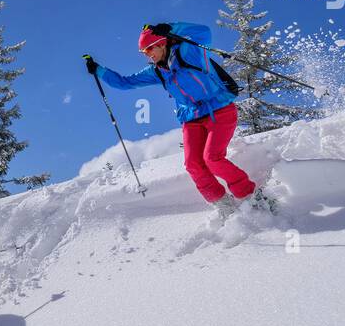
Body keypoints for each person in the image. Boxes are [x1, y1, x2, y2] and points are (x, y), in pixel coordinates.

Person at [85, 22, 268, 213]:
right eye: (143, 52)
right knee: (193, 165)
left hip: (219, 110)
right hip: (191, 119)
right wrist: (98, 70)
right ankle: (225, 208)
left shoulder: (188, 53)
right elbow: (125, 83)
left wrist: (172, 28)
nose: (147, 54)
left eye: (149, 49)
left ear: (162, 43)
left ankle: (252, 197)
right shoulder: (156, 71)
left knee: (212, 159)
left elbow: (203, 32)